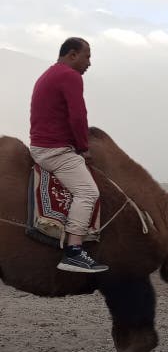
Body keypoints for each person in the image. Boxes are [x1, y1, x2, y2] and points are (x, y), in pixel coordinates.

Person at [29, 38, 108, 273]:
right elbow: (78, 115)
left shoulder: (50, 74)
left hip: (42, 146)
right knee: (88, 192)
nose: (89, 63)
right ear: (73, 55)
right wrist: (83, 147)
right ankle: (74, 251)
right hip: (55, 151)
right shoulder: (70, 76)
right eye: (87, 56)